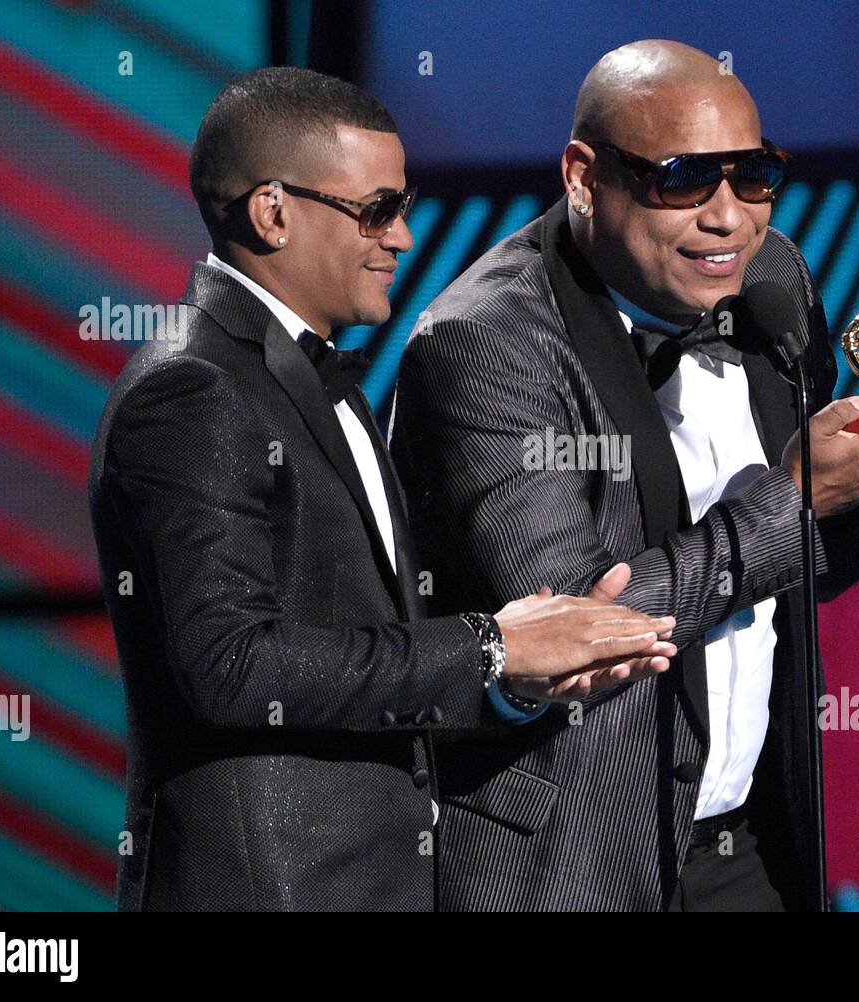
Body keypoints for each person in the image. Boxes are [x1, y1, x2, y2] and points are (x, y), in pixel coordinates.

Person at [389, 41, 859, 911]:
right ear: (583, 176)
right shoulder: (486, 344)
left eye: (754, 176)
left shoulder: (771, 282)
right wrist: (796, 500)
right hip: (572, 862)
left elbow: (777, 564)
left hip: (741, 846)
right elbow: (585, 630)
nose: (729, 219)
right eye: (684, 180)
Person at [88, 66, 675, 911]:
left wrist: (510, 683)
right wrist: (490, 647)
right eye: (376, 210)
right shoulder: (193, 389)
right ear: (273, 212)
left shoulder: (316, 376)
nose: (401, 237)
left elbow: (368, 645)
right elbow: (230, 666)